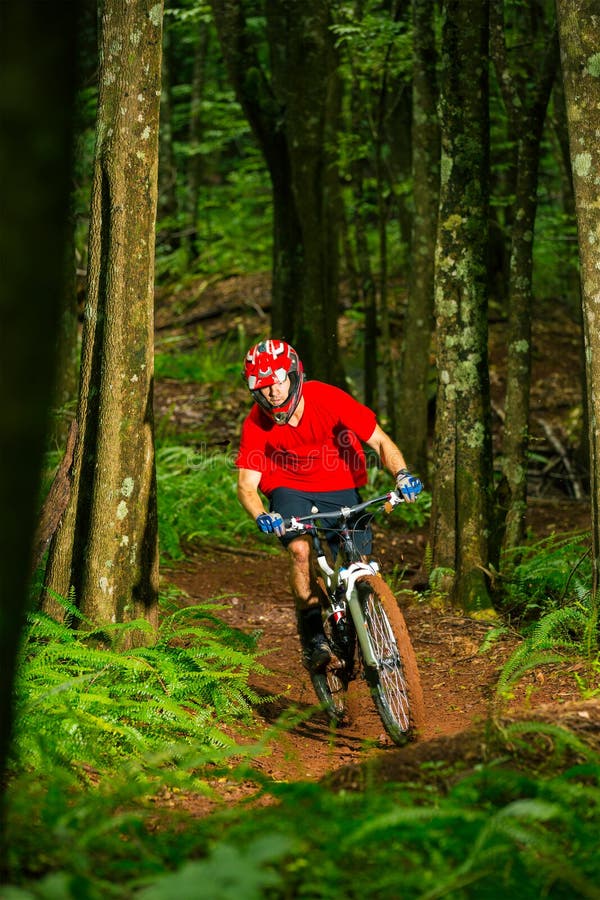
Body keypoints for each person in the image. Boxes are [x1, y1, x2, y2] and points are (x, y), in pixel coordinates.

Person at [236, 339, 423, 673]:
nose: (273, 392)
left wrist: (402, 474)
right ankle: (313, 640)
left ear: (293, 375)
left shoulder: (327, 397)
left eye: (278, 381)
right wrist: (262, 515)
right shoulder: (256, 423)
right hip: (287, 484)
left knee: (358, 561)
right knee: (300, 550)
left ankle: (363, 622)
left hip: (339, 480)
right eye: (263, 387)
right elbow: (247, 485)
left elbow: (379, 440)